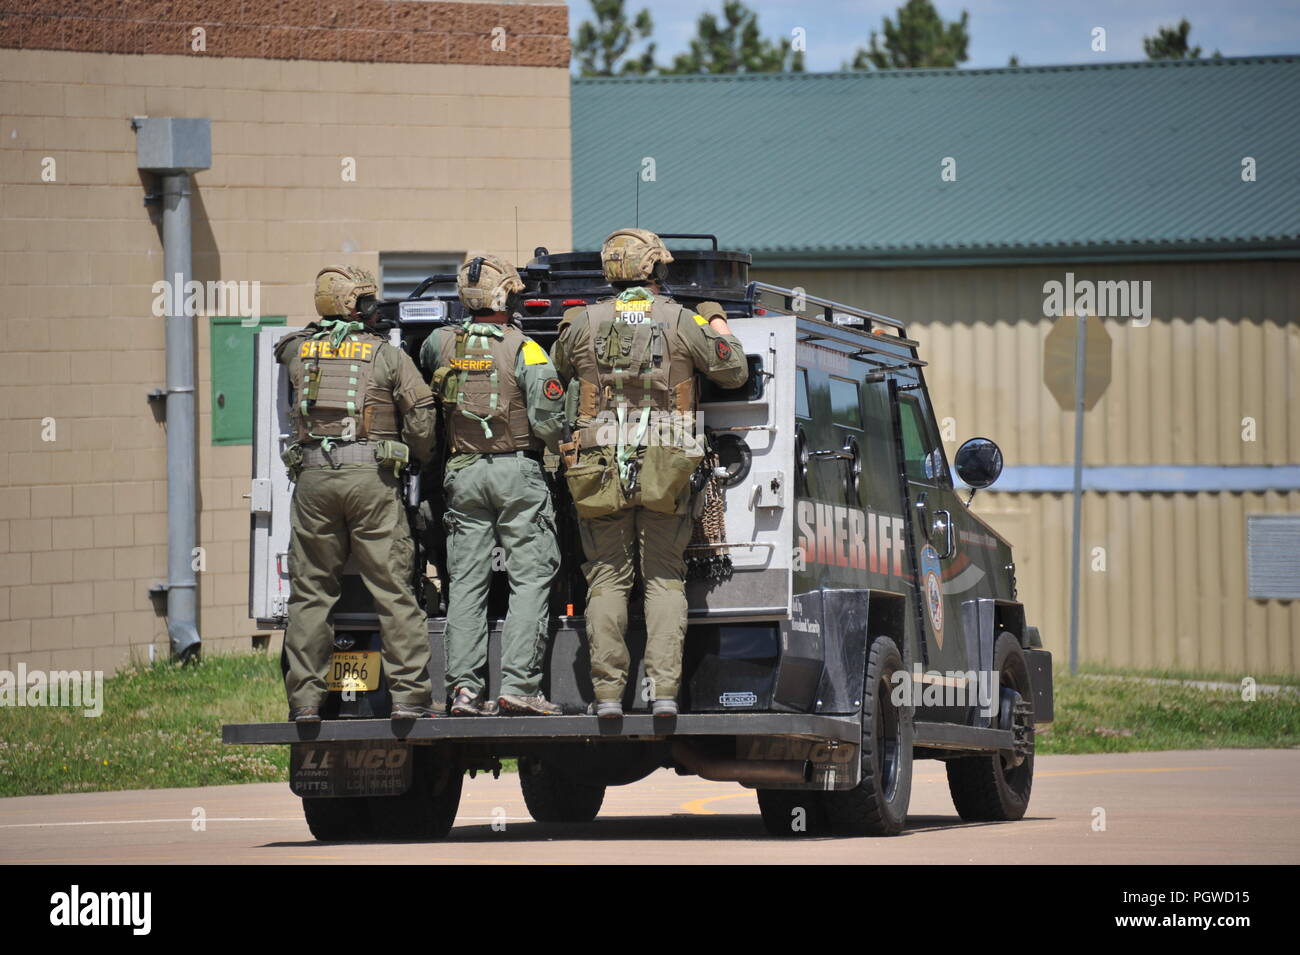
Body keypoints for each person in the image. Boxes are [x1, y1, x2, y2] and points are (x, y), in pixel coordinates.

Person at [550, 228, 748, 718]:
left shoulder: (581, 323)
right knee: (663, 580)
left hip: (596, 465)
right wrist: (717, 319)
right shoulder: (682, 320)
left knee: (607, 582)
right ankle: (663, 694)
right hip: (668, 463)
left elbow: (555, 375)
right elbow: (735, 371)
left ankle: (608, 697)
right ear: (657, 269)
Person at [276, 265, 437, 722]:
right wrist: (418, 458)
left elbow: (289, 344)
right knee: (393, 589)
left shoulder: (296, 353)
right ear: (357, 305)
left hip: (312, 481)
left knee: (310, 594)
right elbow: (421, 413)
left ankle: (306, 702)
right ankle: (410, 698)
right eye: (367, 300)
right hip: (370, 482)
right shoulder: (385, 355)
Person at [421, 253, 566, 716]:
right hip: (515, 473)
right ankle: (519, 686)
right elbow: (548, 421)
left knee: (465, 582)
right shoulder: (525, 348)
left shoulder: (438, 344)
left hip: (461, 474)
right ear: (505, 297)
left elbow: (423, 372)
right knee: (530, 577)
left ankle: (464, 691)